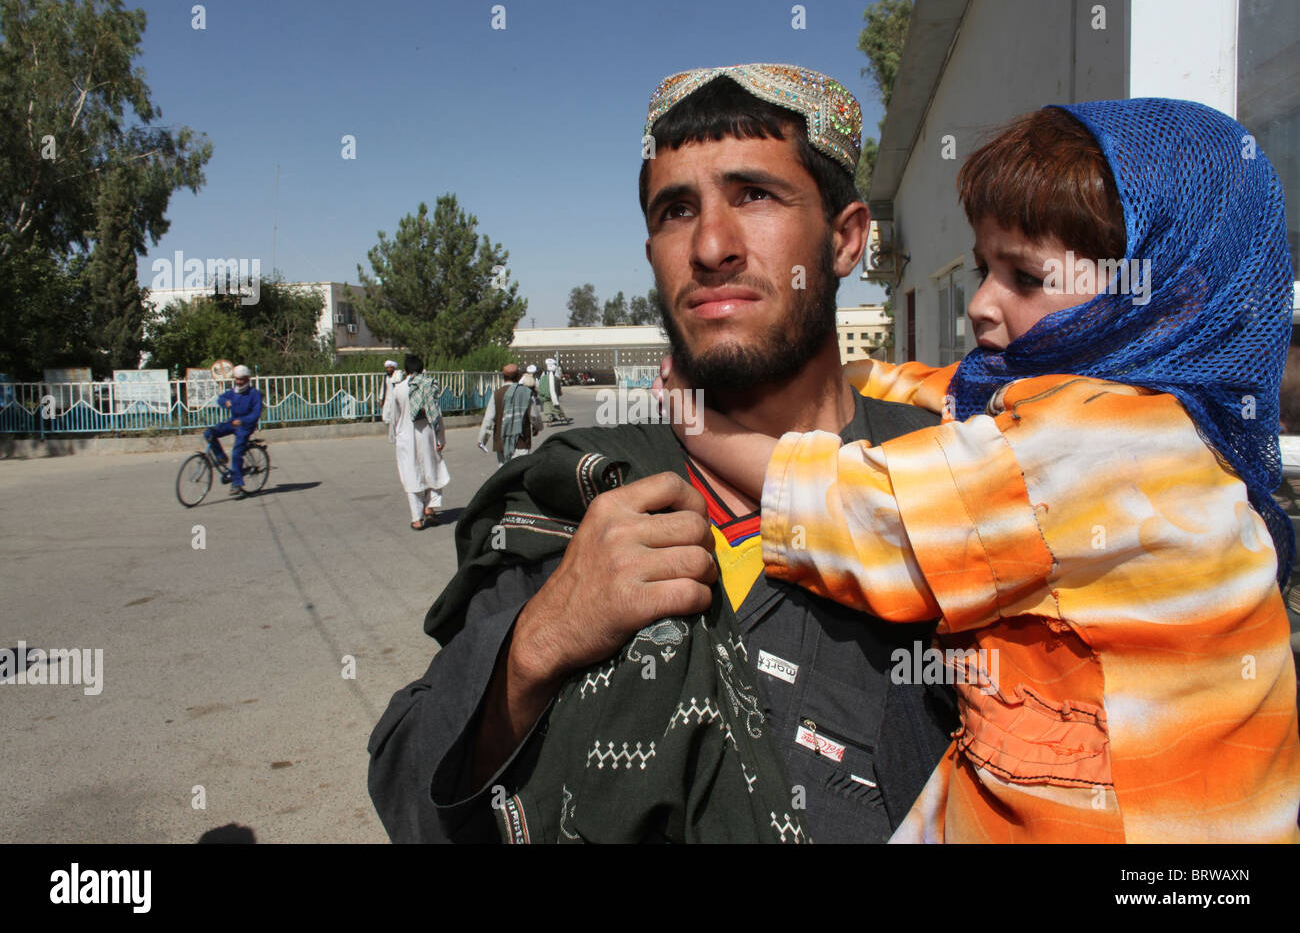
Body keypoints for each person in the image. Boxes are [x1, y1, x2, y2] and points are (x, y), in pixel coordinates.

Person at [669, 98, 1300, 842]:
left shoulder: (1108, 444)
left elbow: (867, 517)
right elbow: (958, 394)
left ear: (1165, 296)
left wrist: (697, 421)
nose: (981, 306)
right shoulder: (1157, 402)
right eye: (983, 268)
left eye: (1025, 279)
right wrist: (844, 379)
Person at [368, 64, 956, 843]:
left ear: (845, 239)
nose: (711, 245)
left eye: (755, 194)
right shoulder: (579, 498)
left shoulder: (960, 478)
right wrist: (540, 641)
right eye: (677, 210)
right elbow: (413, 798)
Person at [390, 354, 449, 530]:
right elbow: (437, 414)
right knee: (434, 470)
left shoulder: (399, 389)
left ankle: (417, 518)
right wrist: (441, 438)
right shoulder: (428, 386)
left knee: (411, 475)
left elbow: (395, 417)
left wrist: (394, 436)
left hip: (406, 438)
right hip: (429, 435)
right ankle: (430, 508)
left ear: (405, 370)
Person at [204, 364, 262, 496]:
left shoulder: (254, 394)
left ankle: (236, 484)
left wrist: (243, 420)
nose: (239, 382)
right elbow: (221, 398)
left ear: (248, 379)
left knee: (236, 453)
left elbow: (256, 413)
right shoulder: (234, 392)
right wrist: (225, 403)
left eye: (241, 379)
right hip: (233, 422)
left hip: (246, 426)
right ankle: (221, 457)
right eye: (237, 379)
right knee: (209, 433)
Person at [477, 363, 543, 464]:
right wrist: (537, 427)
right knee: (520, 474)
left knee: (504, 474)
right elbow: (534, 416)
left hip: (501, 443)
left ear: (503, 377)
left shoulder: (496, 394)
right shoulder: (525, 393)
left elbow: (489, 419)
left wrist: (482, 439)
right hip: (521, 442)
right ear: (518, 377)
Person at [537, 358, 567, 424]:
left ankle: (550, 419)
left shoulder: (544, 374)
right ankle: (561, 417)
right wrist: (559, 392)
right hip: (554, 394)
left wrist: (541, 393)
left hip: (546, 394)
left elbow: (540, 383)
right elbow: (558, 383)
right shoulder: (555, 373)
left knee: (547, 406)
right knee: (555, 405)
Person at [380, 359, 403, 442]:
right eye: (388, 368)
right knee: (386, 417)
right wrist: (381, 399)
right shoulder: (386, 376)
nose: (389, 369)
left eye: (391, 368)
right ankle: (393, 433)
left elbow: (398, 384)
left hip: (395, 399)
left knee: (395, 417)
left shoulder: (398, 375)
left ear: (393, 368)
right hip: (387, 399)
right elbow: (383, 388)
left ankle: (395, 435)